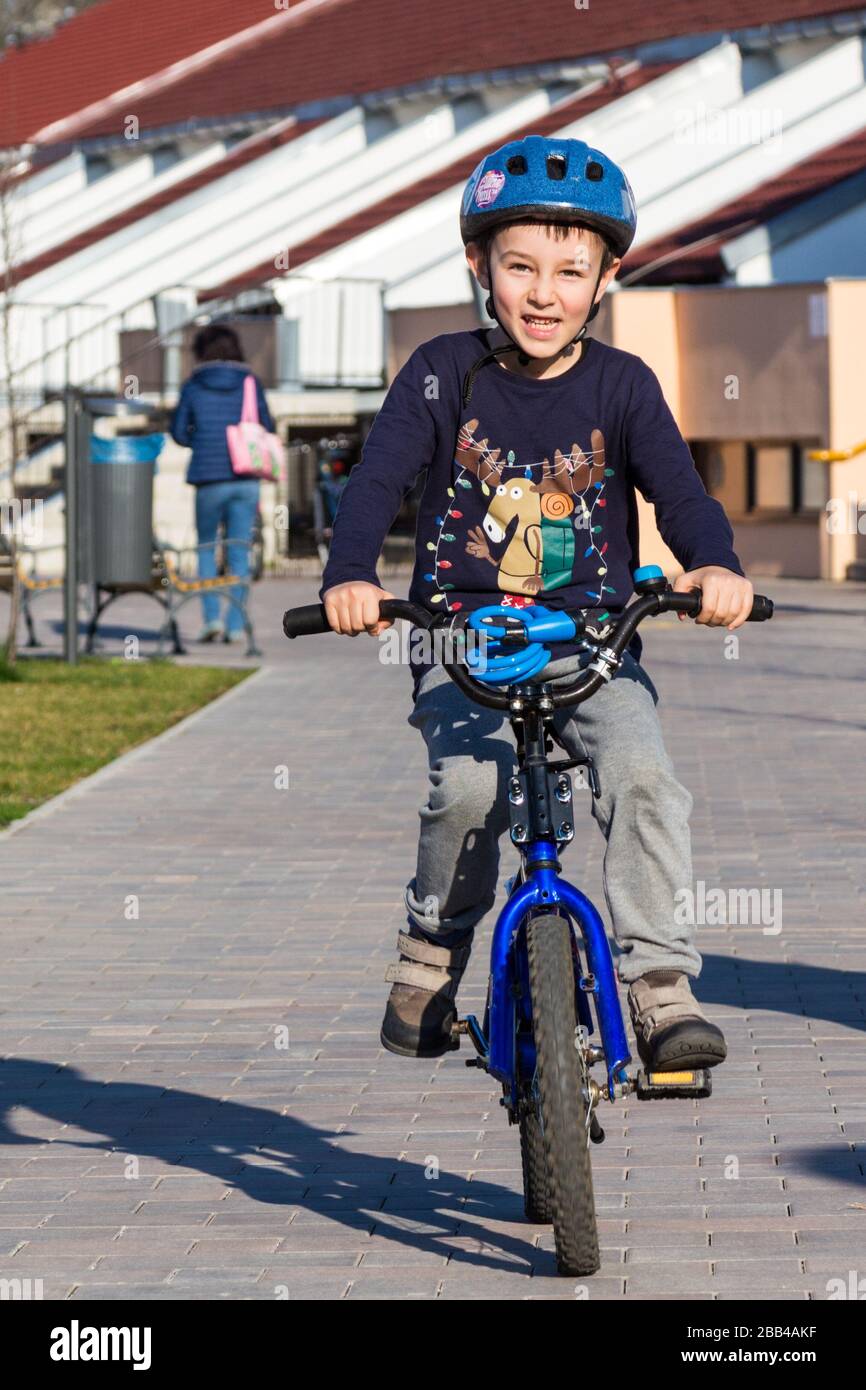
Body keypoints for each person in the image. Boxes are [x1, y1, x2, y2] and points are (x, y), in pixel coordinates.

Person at [319, 134, 754, 1068]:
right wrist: (350, 576)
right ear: (479, 264)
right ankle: (431, 952)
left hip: (595, 643)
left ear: (606, 279)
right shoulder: (441, 372)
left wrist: (713, 566)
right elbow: (375, 483)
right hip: (465, 642)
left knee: (643, 776)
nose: (545, 293)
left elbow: (678, 494)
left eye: (571, 270)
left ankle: (661, 986)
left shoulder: (623, 385)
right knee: (469, 788)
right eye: (520, 267)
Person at [170, 324, 275, 642]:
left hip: (208, 478)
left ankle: (211, 620)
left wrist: (201, 442)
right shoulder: (249, 382)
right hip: (245, 478)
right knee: (239, 552)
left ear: (201, 351)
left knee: (206, 548)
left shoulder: (192, 385)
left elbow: (177, 431)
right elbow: (266, 424)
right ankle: (234, 625)